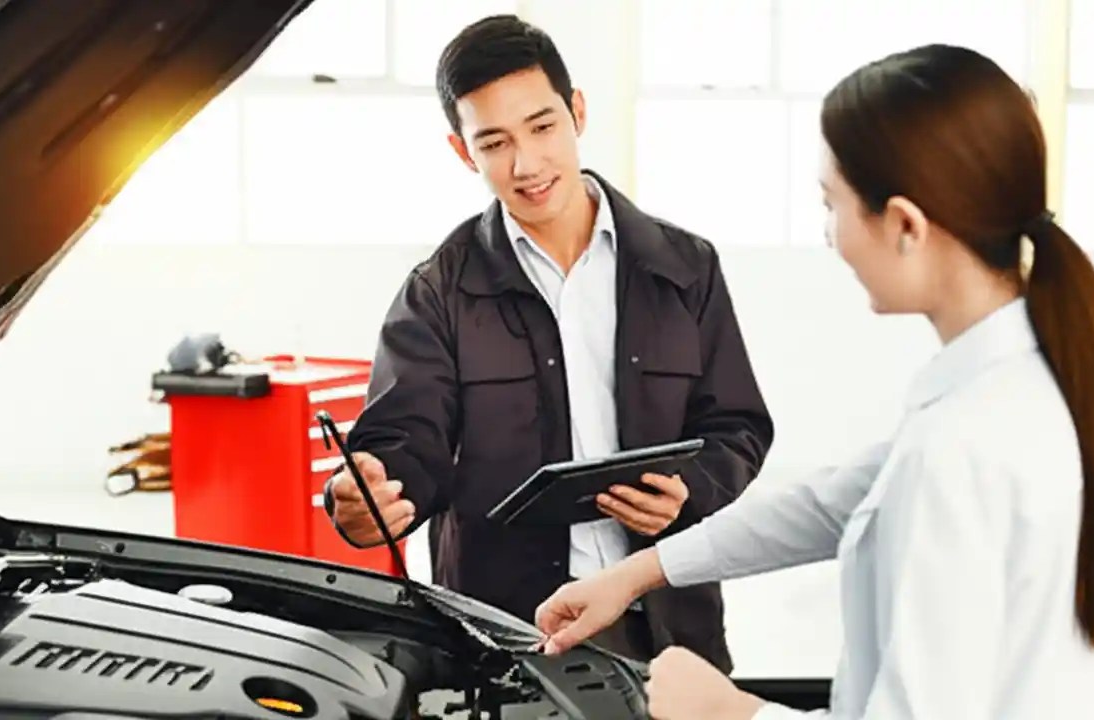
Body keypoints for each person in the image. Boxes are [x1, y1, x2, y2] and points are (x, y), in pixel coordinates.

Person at [533, 43, 1094, 720]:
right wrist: (636, 573)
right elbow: (830, 505)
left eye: (834, 204)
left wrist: (727, 710)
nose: (831, 236)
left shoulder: (962, 445)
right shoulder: (1026, 387)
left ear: (905, 224)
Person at [319, 14, 774, 670]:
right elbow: (402, 443)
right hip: (507, 639)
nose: (526, 165)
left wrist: (692, 490)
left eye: (542, 127)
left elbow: (737, 425)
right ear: (461, 150)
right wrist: (372, 498)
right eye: (494, 143)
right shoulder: (438, 290)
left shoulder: (685, 267)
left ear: (577, 112)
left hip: (669, 626)